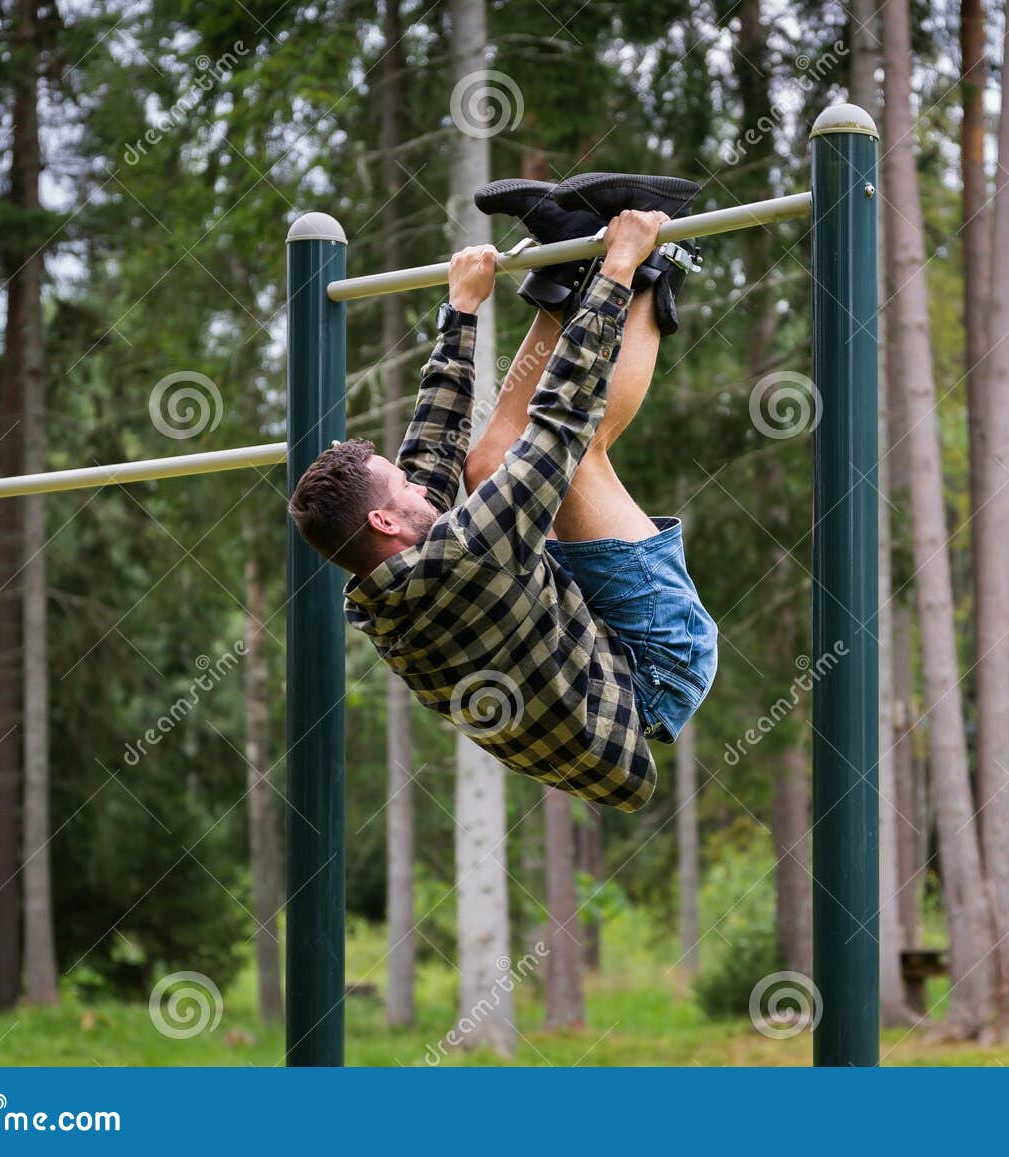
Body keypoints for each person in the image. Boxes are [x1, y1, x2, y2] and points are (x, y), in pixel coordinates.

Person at [287, 174, 717, 812]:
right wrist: (623, 267)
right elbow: (561, 420)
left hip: (583, 651)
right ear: (382, 518)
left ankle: (565, 271)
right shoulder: (469, 557)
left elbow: (433, 455)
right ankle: (657, 272)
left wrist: (460, 310)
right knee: (578, 454)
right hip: (655, 664)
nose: (414, 480)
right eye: (401, 485)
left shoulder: (383, 589)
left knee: (486, 466)